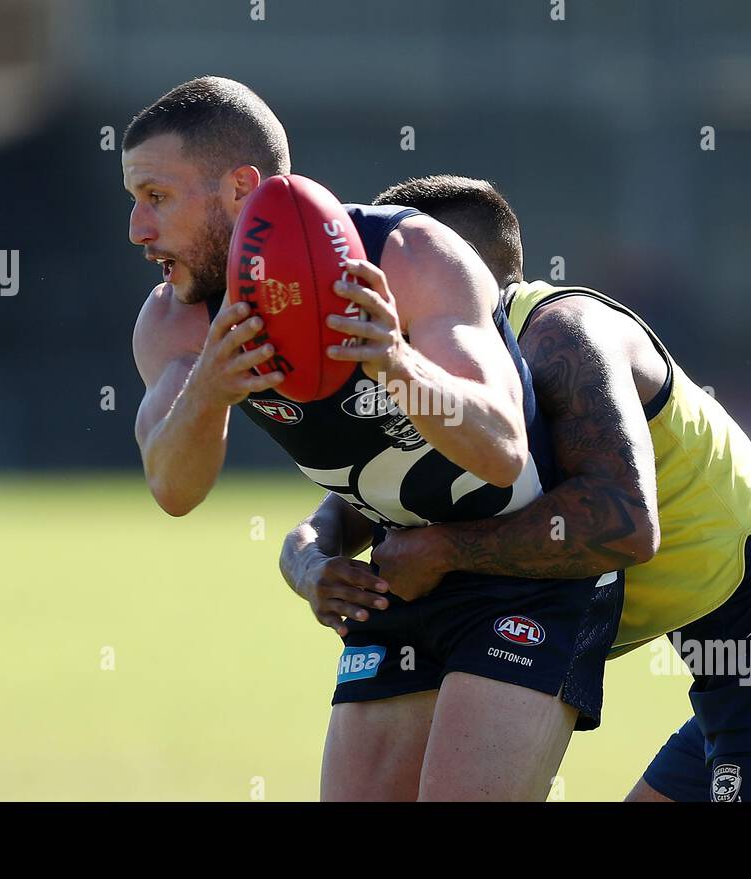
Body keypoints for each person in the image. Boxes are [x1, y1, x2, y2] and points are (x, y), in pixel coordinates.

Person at [282, 174, 751, 801]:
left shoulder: (564, 332)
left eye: (391, 259)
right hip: (736, 686)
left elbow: (624, 521)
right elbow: (366, 495)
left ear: (452, 269)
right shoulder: (450, 381)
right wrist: (313, 558)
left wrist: (444, 551)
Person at [124, 80, 622, 801]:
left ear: (240, 188)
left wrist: (394, 360)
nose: (138, 229)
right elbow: (173, 490)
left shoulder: (409, 257)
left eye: (156, 198)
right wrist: (212, 386)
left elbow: (502, 447)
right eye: (135, 201)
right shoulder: (173, 326)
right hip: (396, 576)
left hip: (527, 572)